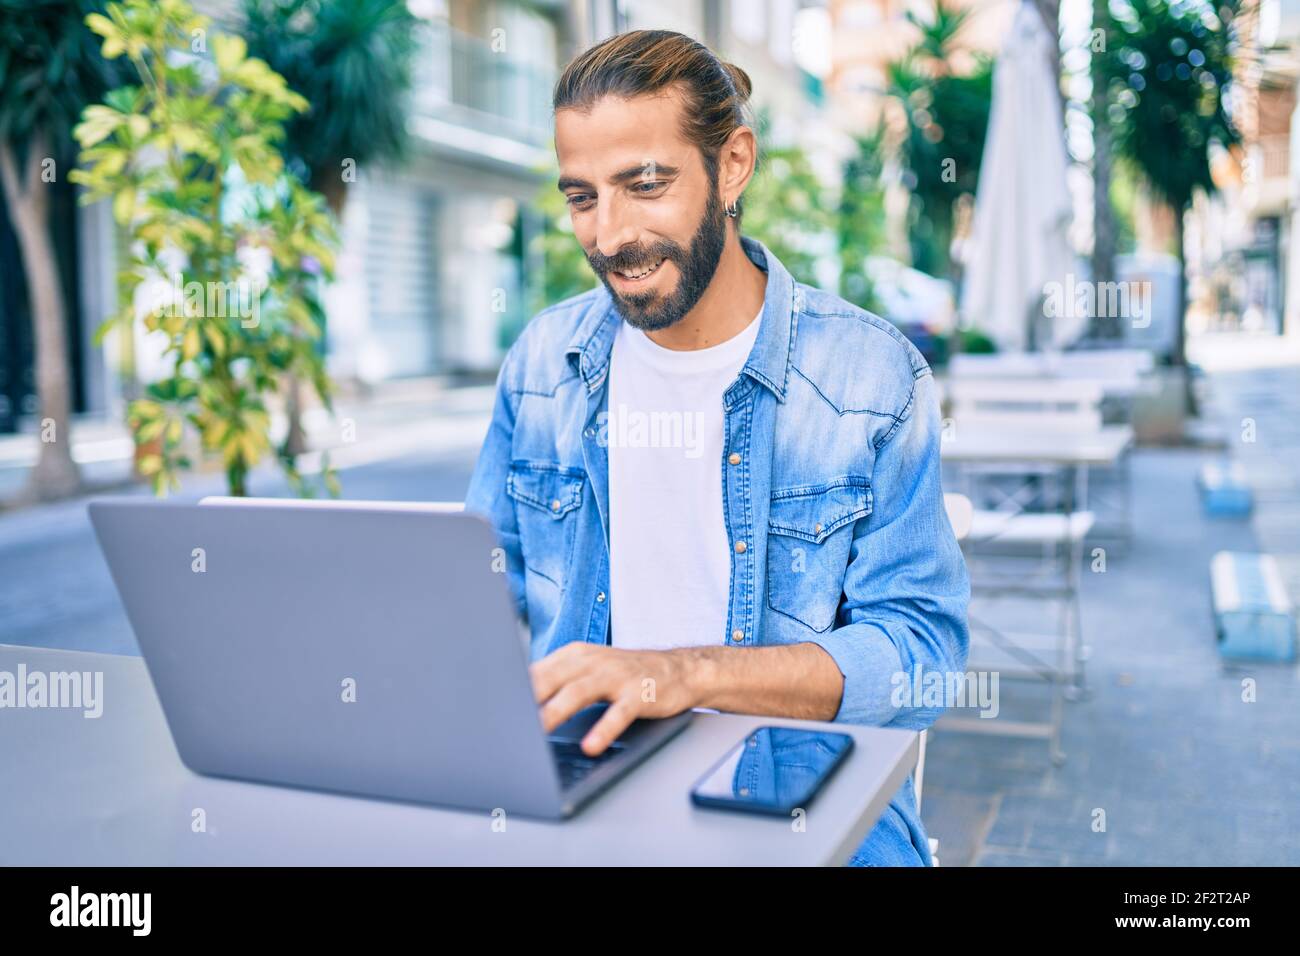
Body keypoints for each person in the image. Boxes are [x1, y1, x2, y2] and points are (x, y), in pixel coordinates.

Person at [466, 29, 969, 866]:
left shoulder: (872, 378)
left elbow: (923, 657)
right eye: (582, 197)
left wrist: (684, 674)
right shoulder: (542, 368)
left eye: (646, 184)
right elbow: (483, 594)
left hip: (807, 818)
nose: (612, 235)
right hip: (582, 797)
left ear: (732, 165)